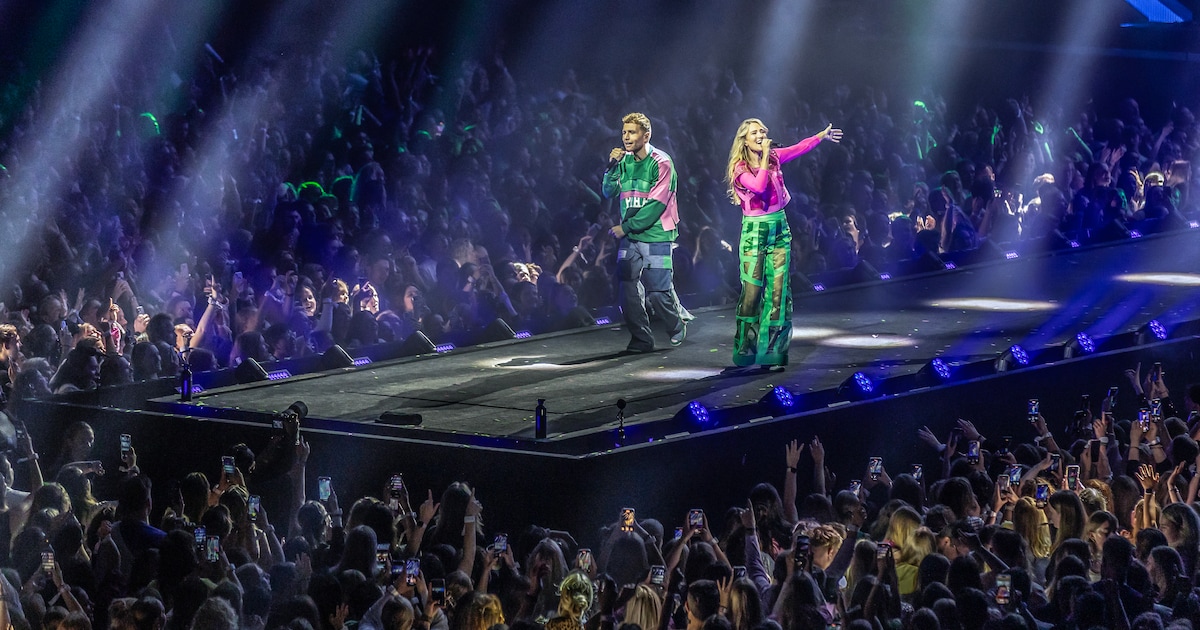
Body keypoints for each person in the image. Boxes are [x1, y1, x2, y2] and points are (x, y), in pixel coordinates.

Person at [725, 118, 842, 369]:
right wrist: (767, 157)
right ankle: (746, 346)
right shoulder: (740, 167)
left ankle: (773, 352)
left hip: (779, 227)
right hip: (754, 231)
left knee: (778, 291)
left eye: (762, 131)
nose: (761, 135)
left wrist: (820, 136)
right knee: (752, 292)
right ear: (744, 140)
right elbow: (757, 186)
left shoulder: (775, 157)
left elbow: (799, 147)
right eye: (755, 132)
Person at [602, 112, 685, 353]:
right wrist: (610, 168)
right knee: (627, 286)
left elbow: (656, 206)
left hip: (657, 234)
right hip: (631, 236)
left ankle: (675, 323)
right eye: (624, 132)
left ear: (646, 135)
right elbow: (608, 192)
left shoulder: (661, 162)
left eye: (632, 132)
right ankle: (641, 339)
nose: (626, 137)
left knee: (658, 293)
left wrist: (625, 227)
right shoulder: (623, 161)